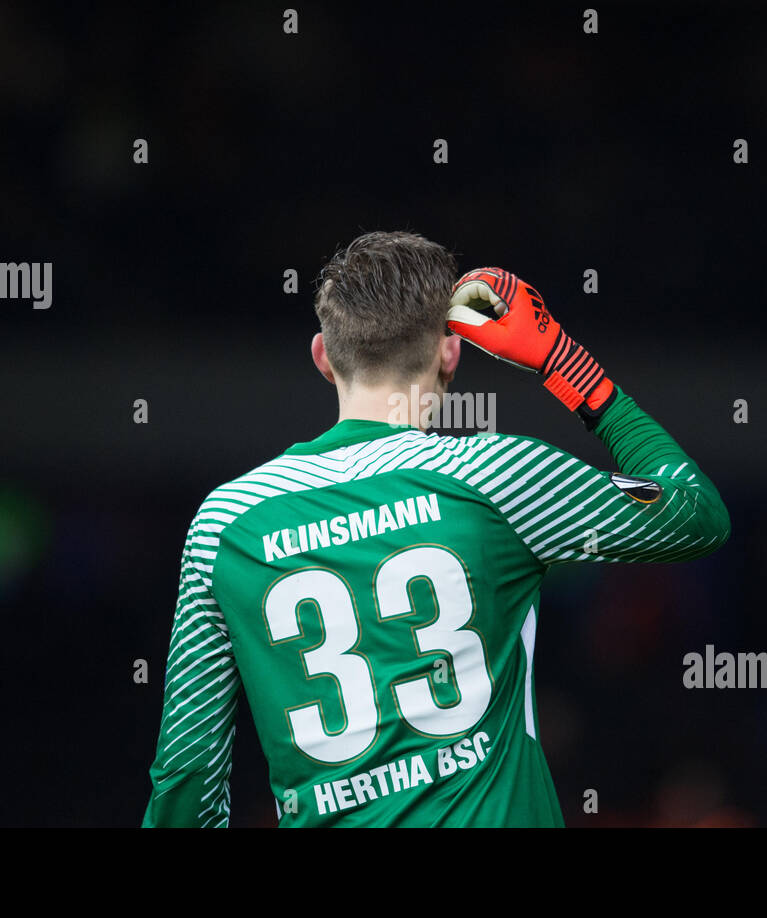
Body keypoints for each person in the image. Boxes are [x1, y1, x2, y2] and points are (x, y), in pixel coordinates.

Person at [142, 230, 731, 827]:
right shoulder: (499, 476)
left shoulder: (228, 520)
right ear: (451, 354)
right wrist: (564, 363)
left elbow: (188, 770)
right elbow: (699, 514)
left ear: (323, 356)